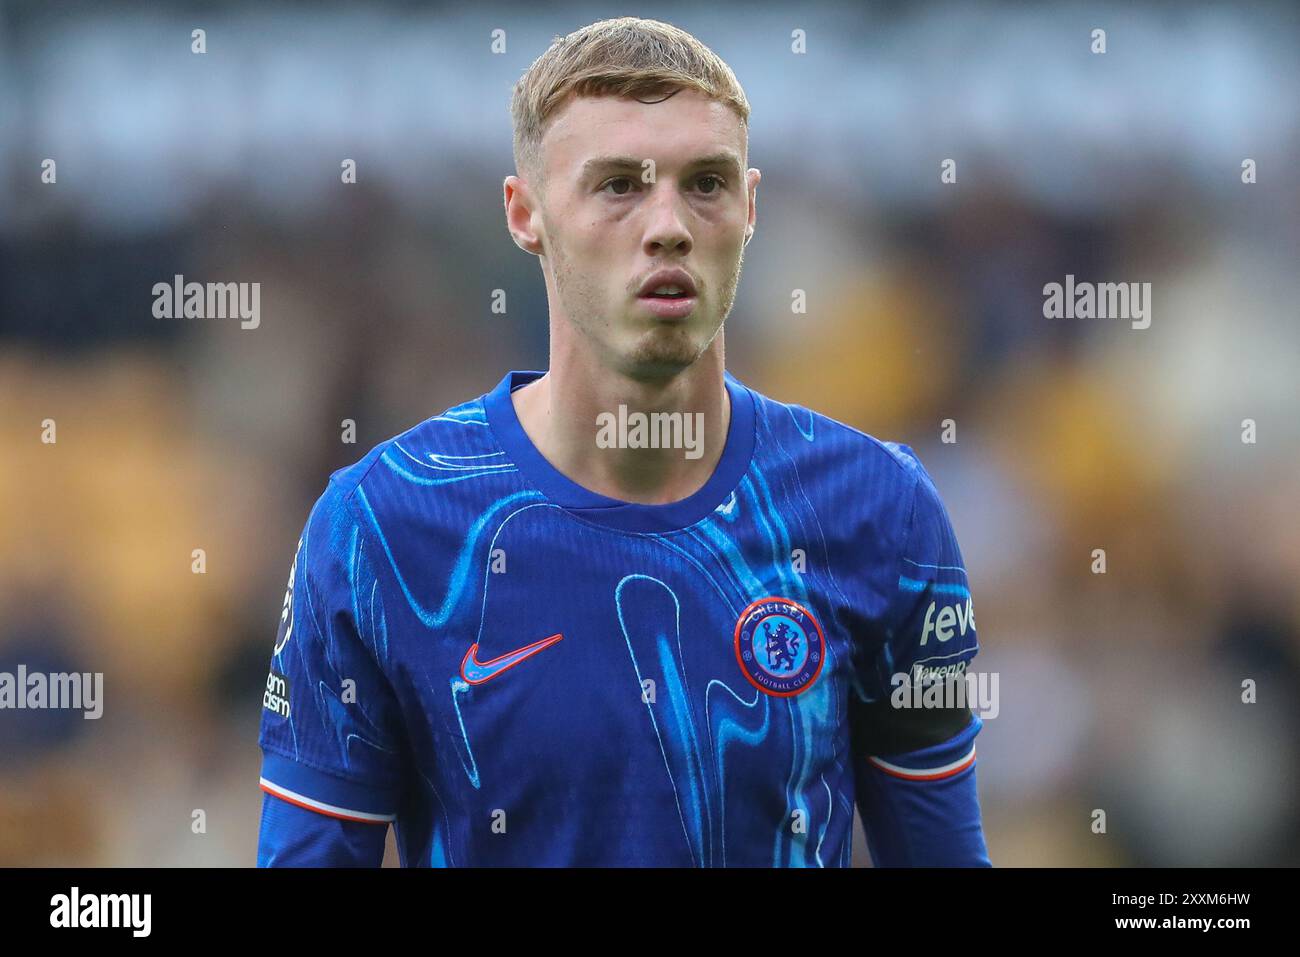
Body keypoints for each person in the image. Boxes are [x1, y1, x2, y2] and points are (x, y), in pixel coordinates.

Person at [257, 16, 989, 867]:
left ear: (751, 207)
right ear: (525, 214)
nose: (669, 225)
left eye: (706, 184)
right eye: (618, 186)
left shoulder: (879, 511)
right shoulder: (379, 525)